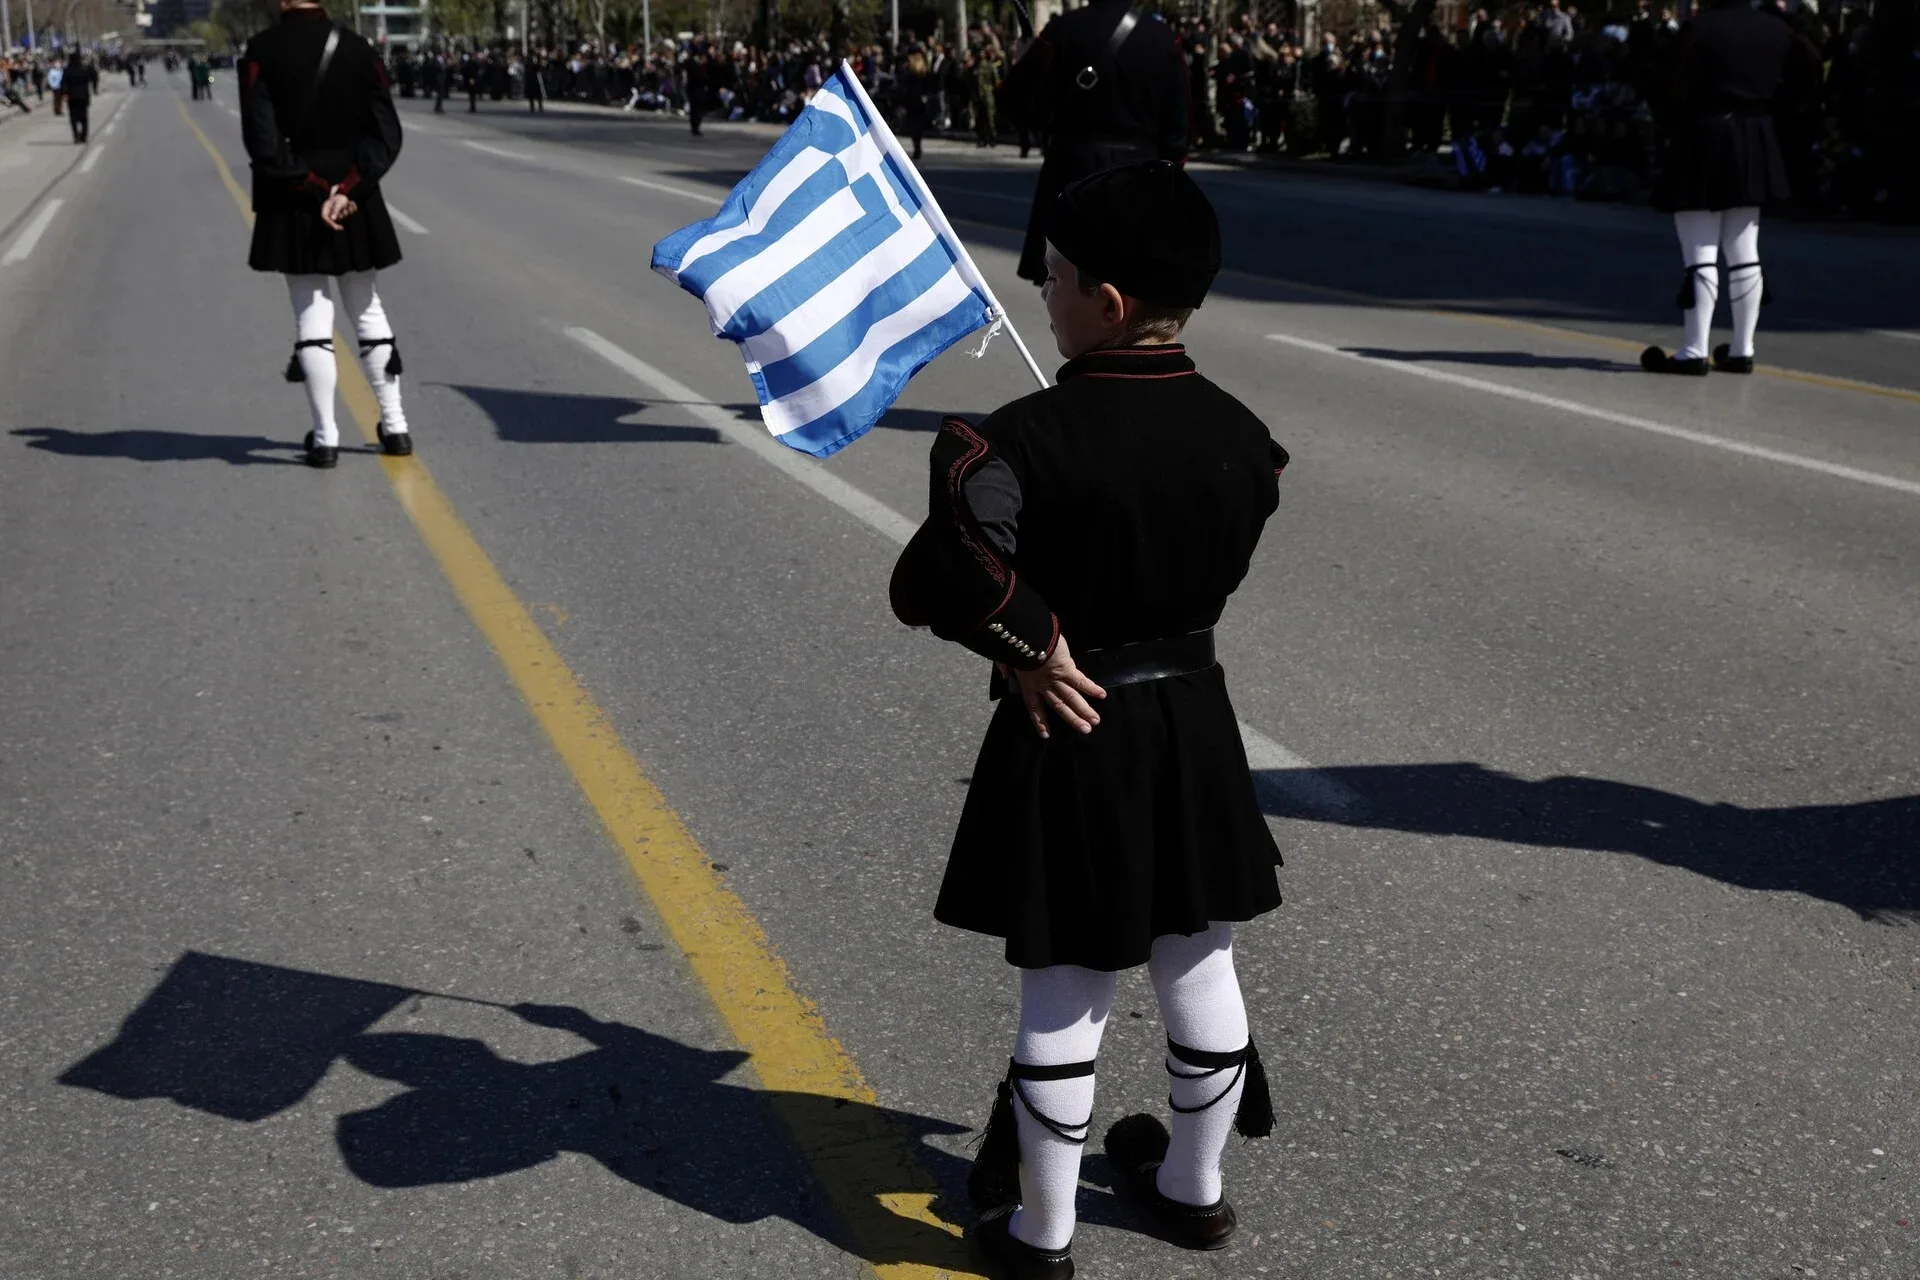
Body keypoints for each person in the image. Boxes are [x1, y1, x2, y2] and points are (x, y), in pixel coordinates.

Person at [888, 160, 1284, 1280]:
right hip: (1193, 721)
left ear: (1105, 302)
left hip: (1075, 719)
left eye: (1053, 276)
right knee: (1198, 959)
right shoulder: (1245, 433)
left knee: (1067, 983)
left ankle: (1043, 1234)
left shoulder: (1017, 437)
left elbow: (939, 576)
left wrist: (1031, 643)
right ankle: (1195, 1191)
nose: (1041, 292)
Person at [240, 0, 414, 468]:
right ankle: (396, 426)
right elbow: (388, 135)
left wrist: (315, 188)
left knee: (311, 315)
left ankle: (326, 438)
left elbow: (262, 142)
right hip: (356, 195)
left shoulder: (261, 51)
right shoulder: (359, 49)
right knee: (367, 309)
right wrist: (348, 188)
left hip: (293, 197)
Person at [1641, 0, 1817, 375]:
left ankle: (1694, 350)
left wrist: (1671, 124)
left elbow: (1670, 85)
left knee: (1700, 251)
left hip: (1704, 133)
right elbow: (1808, 75)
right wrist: (1773, 114)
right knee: (1745, 251)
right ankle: (1741, 349)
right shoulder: (1778, 29)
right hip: (1756, 133)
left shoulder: (1700, 29)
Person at [1008, 0, 1189, 285]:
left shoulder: (1062, 30)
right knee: (1135, 284)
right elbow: (1178, 126)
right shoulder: (1164, 38)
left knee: (1071, 285)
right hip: (1141, 172)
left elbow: (1016, 107)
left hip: (1074, 170)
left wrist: (1022, 62)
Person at [63, 52, 97, 144]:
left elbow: (63, 83)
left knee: (73, 117)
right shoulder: (84, 69)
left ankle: (76, 136)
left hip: (72, 97)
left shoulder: (67, 70)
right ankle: (83, 136)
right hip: (83, 96)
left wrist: (65, 93)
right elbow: (92, 77)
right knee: (84, 117)